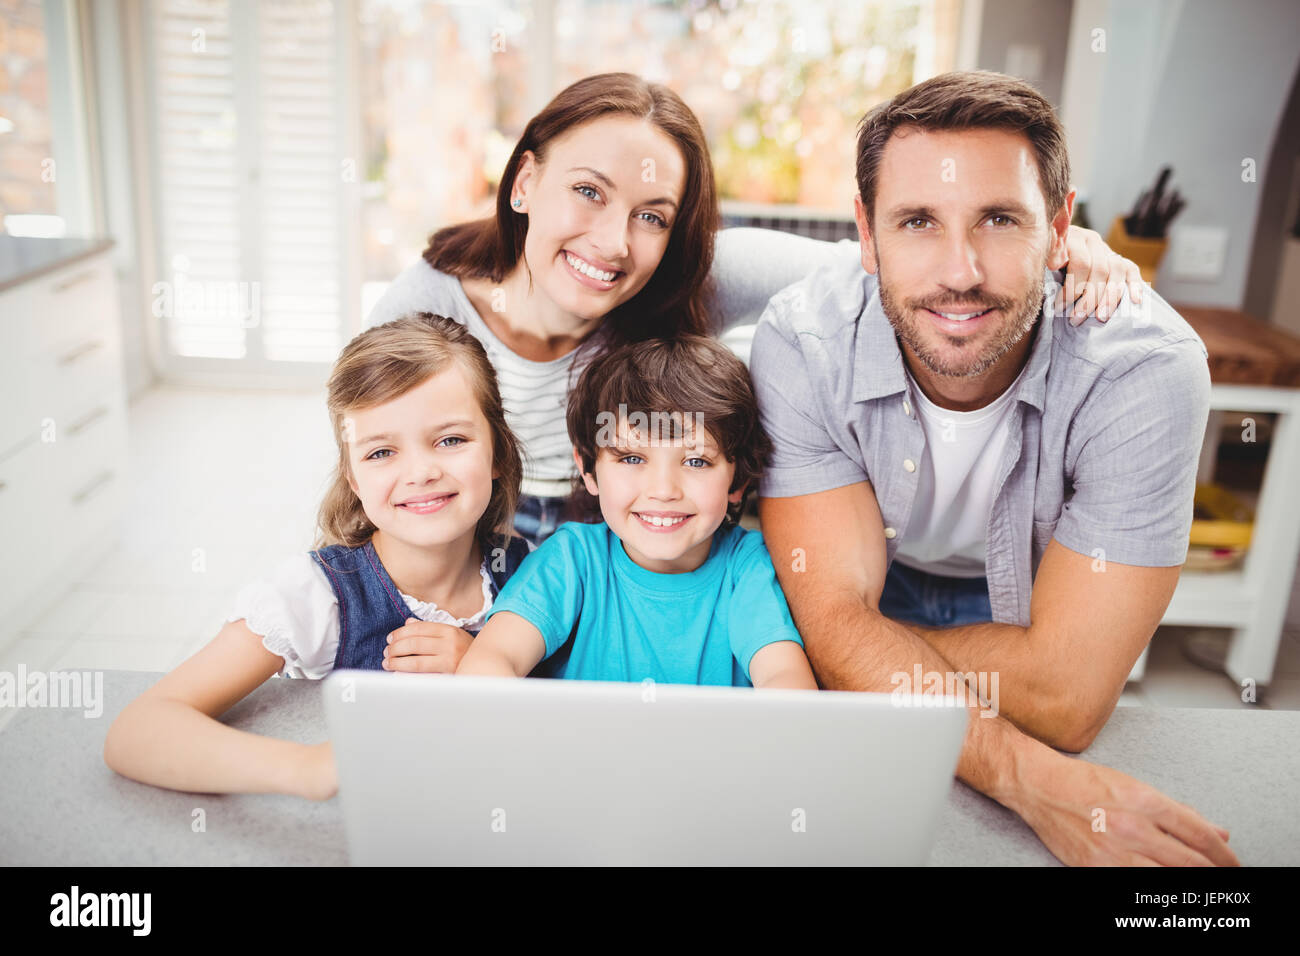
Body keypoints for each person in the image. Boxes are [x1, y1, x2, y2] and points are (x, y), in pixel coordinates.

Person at [748, 70, 1239, 866]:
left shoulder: (1147, 370)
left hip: (1037, 589)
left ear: (1058, 227)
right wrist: (1035, 781)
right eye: (916, 222)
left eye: (1000, 219)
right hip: (884, 567)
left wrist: (847, 650)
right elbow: (838, 619)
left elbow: (1069, 699)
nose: (960, 271)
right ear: (866, 237)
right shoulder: (804, 341)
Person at [367, 71, 1142, 548]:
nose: (612, 242)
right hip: (476, 532)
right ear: (526, 182)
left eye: (652, 215)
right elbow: (377, 481)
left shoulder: (704, 275)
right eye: (589, 192)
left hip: (634, 531)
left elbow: (888, 267)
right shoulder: (428, 304)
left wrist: (1062, 243)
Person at [103, 314, 530, 800]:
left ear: (497, 451)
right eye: (380, 452)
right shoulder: (315, 598)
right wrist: (311, 768)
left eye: (450, 440)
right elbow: (138, 730)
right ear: (351, 477)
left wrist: (485, 667)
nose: (421, 471)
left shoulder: (538, 574)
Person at [457, 335, 816, 690]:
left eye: (696, 461)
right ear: (589, 469)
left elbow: (785, 681)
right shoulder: (572, 559)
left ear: (738, 480)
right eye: (632, 458)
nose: (663, 491)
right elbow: (493, 659)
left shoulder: (748, 567)